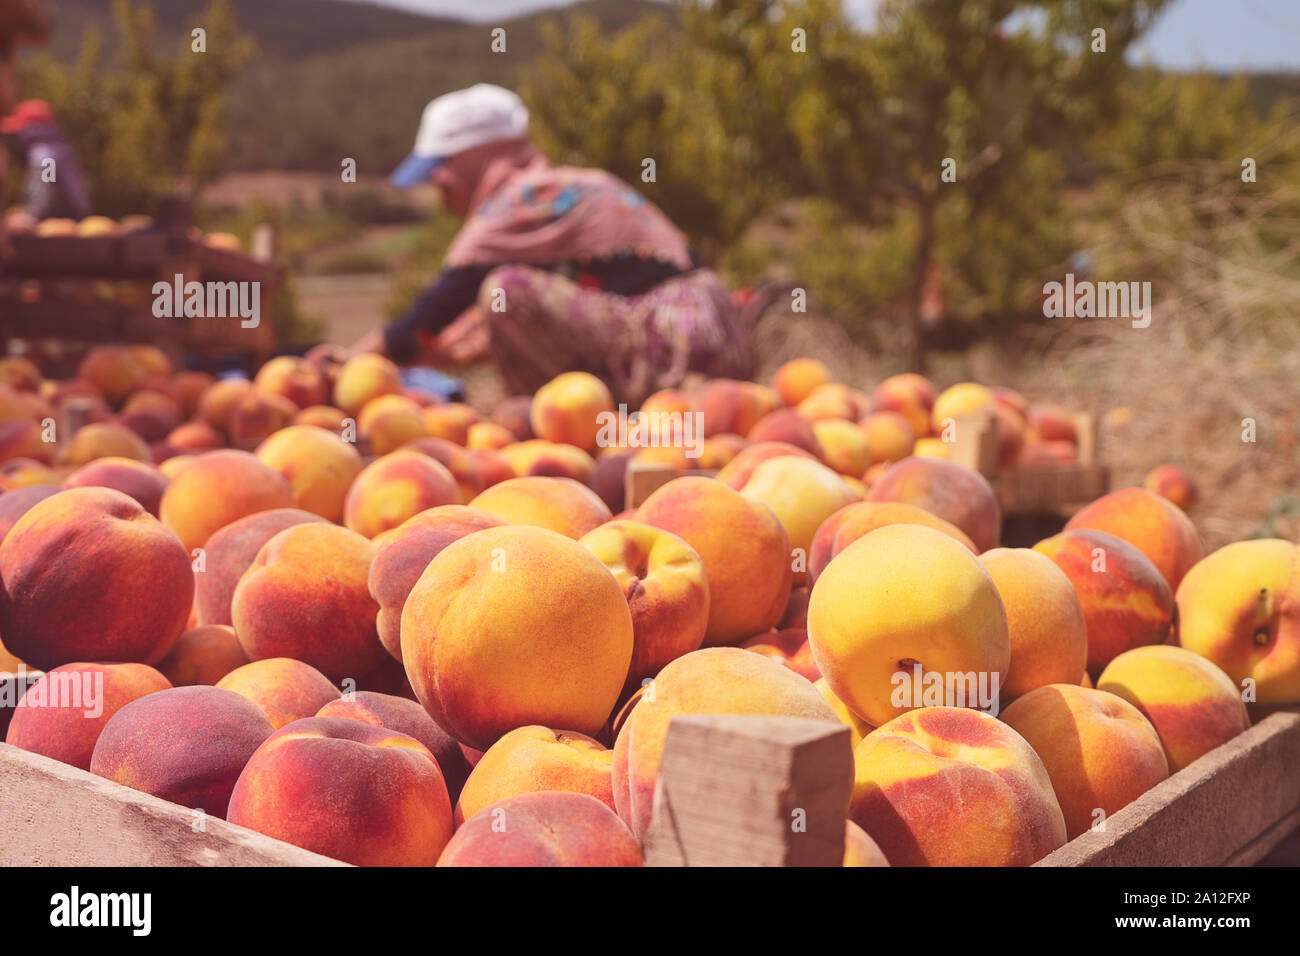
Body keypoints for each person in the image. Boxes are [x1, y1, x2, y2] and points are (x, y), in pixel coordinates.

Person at [349, 83, 753, 406]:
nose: (439, 190)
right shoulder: (576, 187)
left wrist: (350, 365)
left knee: (507, 291)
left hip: (676, 351)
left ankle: (564, 424)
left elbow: (427, 318)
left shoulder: (520, 201)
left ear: (476, 157)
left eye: (441, 168)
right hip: (712, 342)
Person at [1, 99, 92, 222]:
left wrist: (30, 216)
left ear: (31, 129)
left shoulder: (44, 154)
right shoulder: (62, 149)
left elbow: (44, 188)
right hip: (75, 219)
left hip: (58, 222)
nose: (17, 135)